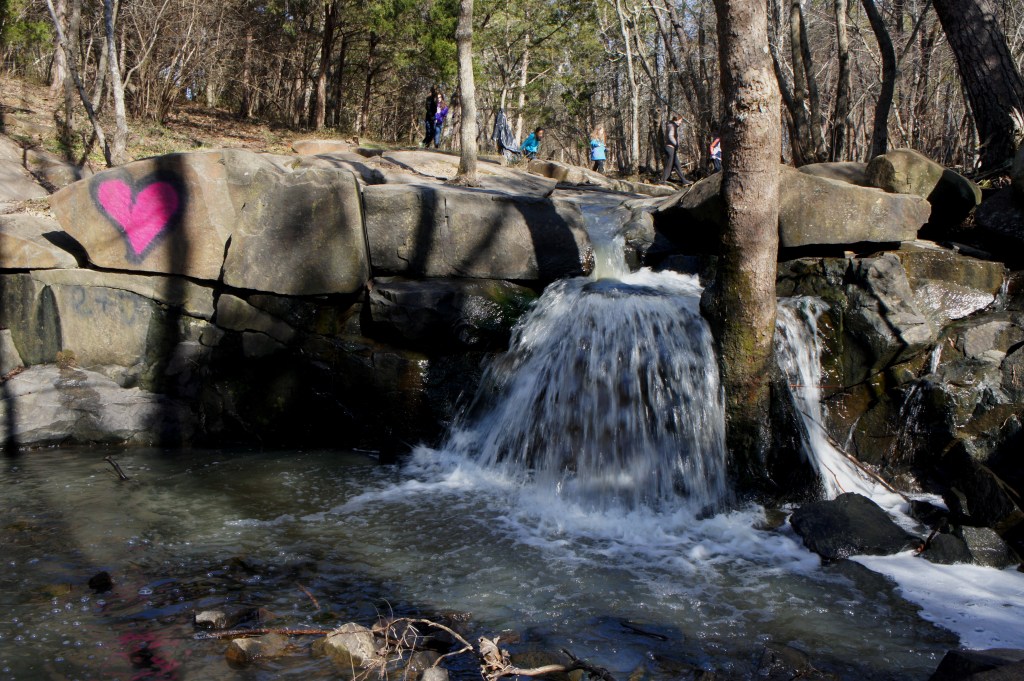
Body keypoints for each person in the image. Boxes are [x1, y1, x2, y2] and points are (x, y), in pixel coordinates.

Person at [661, 113, 691, 185]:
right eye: (680, 121)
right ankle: (663, 181)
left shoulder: (672, 126)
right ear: (676, 120)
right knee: (669, 165)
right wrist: (676, 144)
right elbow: (670, 136)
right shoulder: (672, 126)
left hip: (672, 149)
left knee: (677, 165)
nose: (681, 123)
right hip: (670, 148)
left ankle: (684, 180)